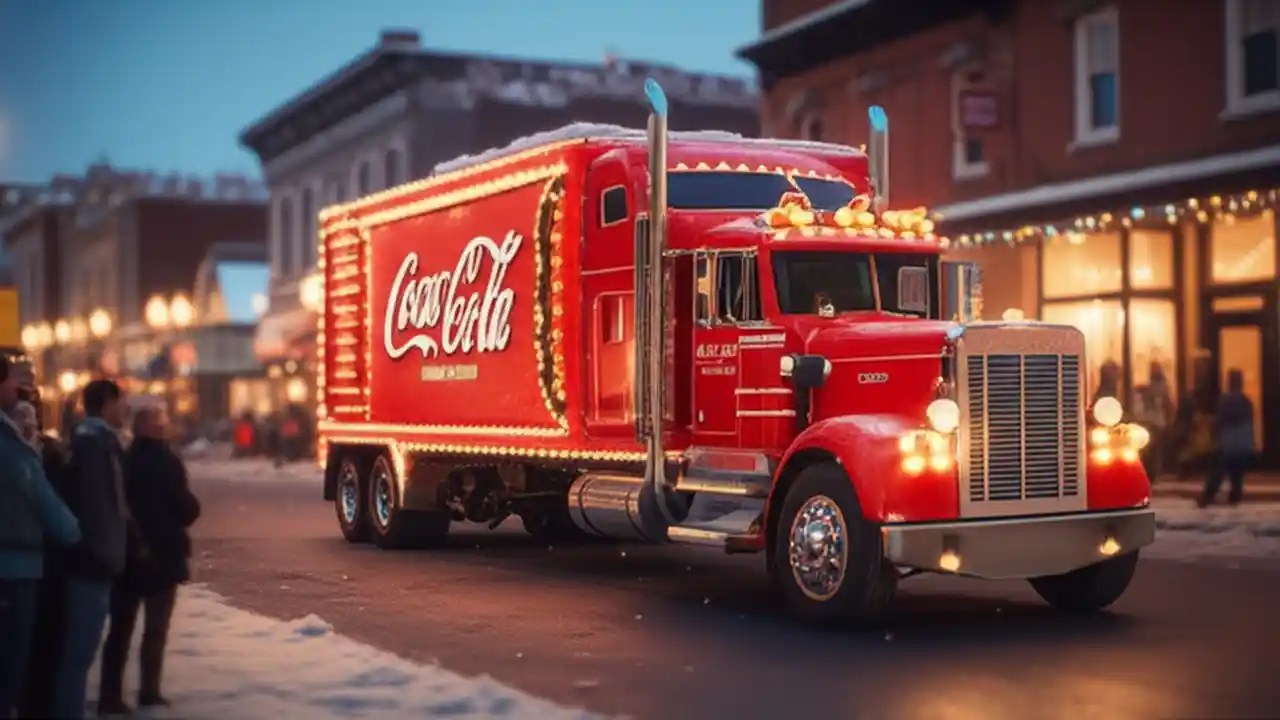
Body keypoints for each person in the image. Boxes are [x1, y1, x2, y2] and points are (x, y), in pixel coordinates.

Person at [98, 404, 201, 713]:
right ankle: (149, 690)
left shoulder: (124, 459)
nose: (165, 428)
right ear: (154, 428)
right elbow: (184, 507)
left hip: (128, 554)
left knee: (120, 629)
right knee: (155, 630)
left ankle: (110, 693)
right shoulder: (166, 461)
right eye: (162, 424)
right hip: (163, 556)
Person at [0, 356, 81, 717]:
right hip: (14, 570)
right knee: (9, 674)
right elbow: (49, 508)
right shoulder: (13, 448)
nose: (18, 391)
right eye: (12, 383)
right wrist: (75, 531)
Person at [53, 378, 131, 719]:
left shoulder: (93, 441)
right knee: (78, 652)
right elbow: (102, 507)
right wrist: (109, 553)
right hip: (93, 561)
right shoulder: (96, 444)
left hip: (94, 558)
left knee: (80, 652)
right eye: (120, 402)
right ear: (106, 404)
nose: (125, 408)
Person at [17, 392, 76, 718]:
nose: (28, 422)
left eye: (33, 415)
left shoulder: (51, 454)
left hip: (51, 567)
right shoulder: (18, 457)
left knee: (49, 651)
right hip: (24, 565)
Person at [1199, 369, 1256, 507]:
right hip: (1240, 443)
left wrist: (1214, 437)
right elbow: (1248, 423)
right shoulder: (1245, 401)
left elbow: (1219, 421)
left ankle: (1208, 497)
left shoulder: (1225, 400)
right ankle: (1234, 497)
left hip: (1226, 442)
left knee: (1217, 472)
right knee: (1237, 475)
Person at [1132, 362, 1175, 482]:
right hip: (1156, 422)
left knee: (1150, 450)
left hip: (1149, 421)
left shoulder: (1150, 388)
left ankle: (1150, 472)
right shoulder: (1161, 387)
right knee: (1154, 450)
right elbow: (1167, 404)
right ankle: (1153, 472)